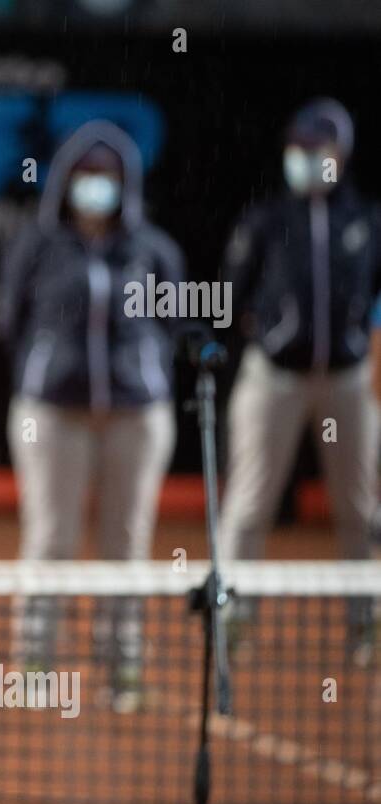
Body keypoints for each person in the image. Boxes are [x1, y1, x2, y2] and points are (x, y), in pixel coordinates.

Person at [0, 120, 185, 714]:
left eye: (107, 177)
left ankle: (122, 666)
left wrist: (137, 374)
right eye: (85, 176)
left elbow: (172, 327)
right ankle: (35, 664)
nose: (95, 186)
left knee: (126, 544)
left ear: (125, 183)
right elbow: (12, 320)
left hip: (138, 416)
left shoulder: (153, 249)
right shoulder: (37, 244)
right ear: (66, 181)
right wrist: (54, 370)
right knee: (51, 539)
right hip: (52, 416)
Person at [219, 99, 381, 667]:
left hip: (347, 381)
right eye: (299, 148)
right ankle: (234, 621)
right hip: (275, 380)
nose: (307, 158)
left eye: (319, 149)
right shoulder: (267, 219)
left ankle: (366, 627)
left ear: (342, 154)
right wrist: (260, 335)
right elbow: (231, 296)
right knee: (248, 506)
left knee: (359, 510)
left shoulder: (365, 221)